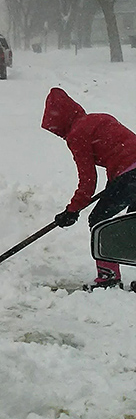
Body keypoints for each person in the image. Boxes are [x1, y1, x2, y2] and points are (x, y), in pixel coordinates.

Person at [42, 86, 136, 288]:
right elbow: (122, 150)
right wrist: (114, 183)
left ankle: (108, 277)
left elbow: (87, 181)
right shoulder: (99, 118)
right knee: (133, 223)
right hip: (130, 173)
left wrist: (72, 210)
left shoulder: (77, 135)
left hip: (131, 175)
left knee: (99, 220)